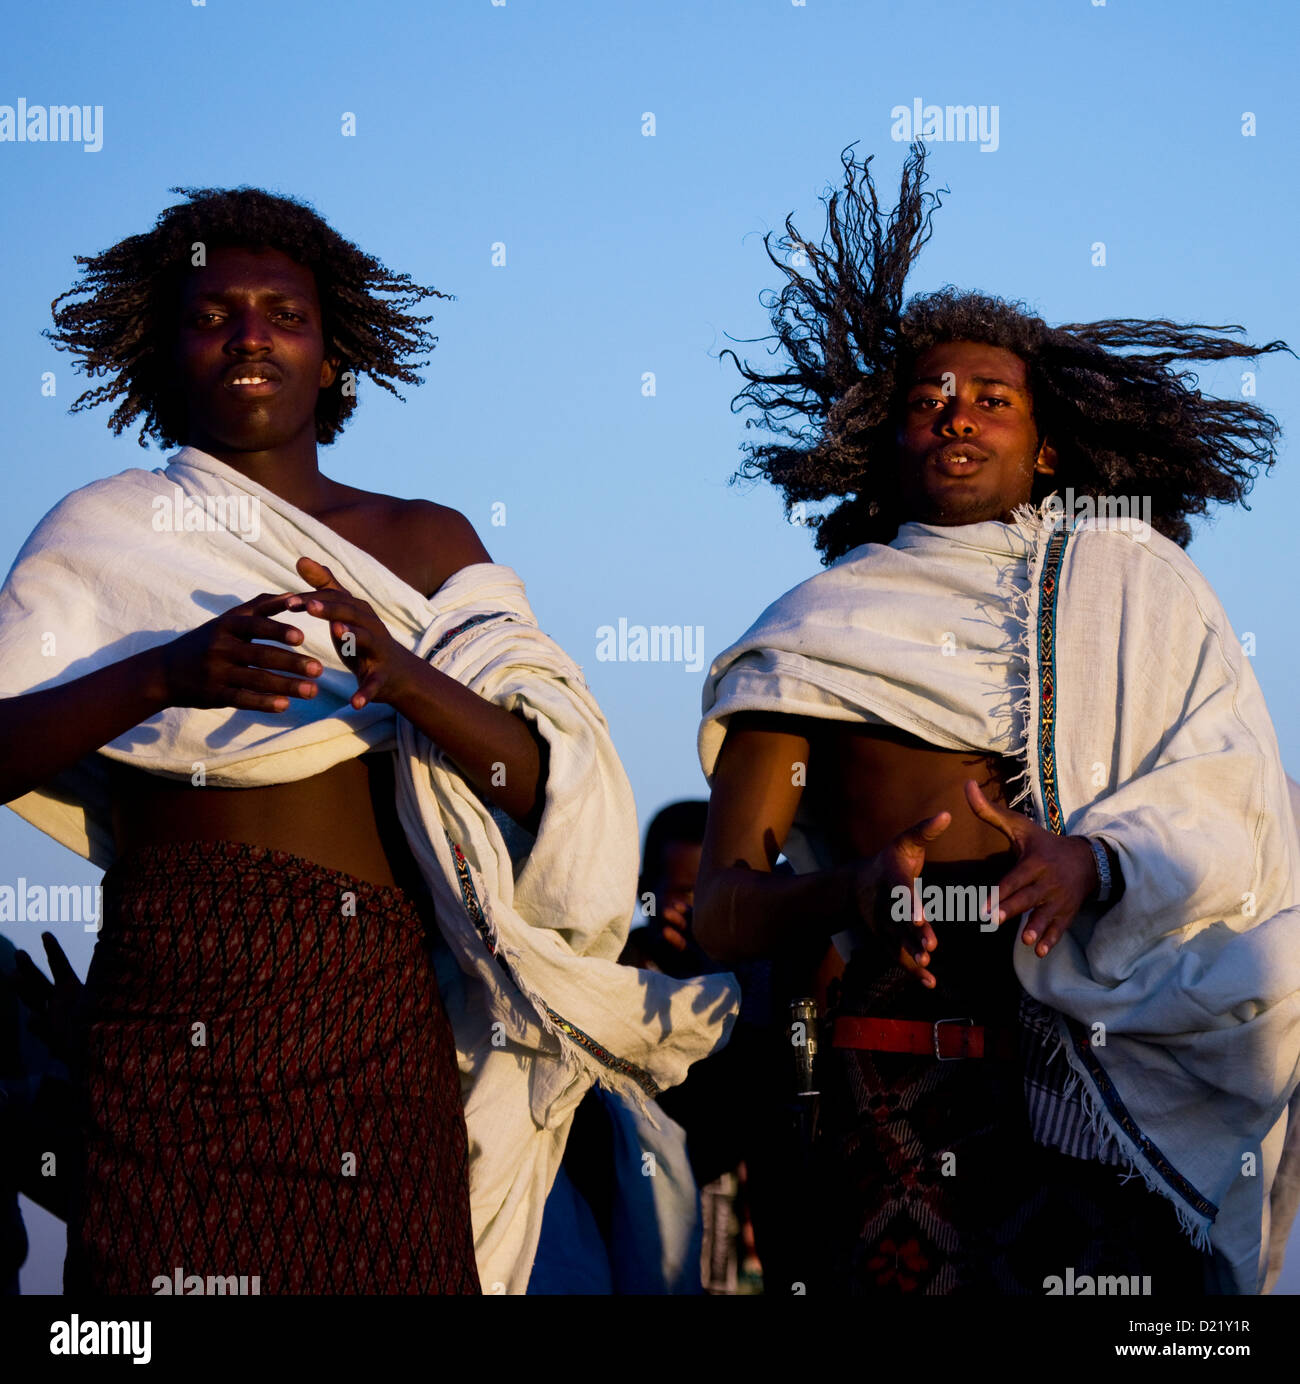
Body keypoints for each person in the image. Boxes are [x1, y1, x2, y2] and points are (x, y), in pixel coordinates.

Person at [0, 186, 736, 1294]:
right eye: (212, 316)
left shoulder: (423, 538)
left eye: (282, 315)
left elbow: (543, 780)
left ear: (336, 356)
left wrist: (406, 676)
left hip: (366, 1008)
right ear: (163, 352)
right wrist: (164, 671)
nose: (249, 337)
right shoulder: (101, 529)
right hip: (168, 1003)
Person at [694, 143, 1300, 1296]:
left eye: (990, 398)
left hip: (1121, 1049)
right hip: (900, 1052)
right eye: (925, 402)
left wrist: (1099, 861)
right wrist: (853, 891)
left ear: (1048, 441)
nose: (955, 417)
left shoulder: (1136, 587)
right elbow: (724, 910)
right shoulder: (813, 626)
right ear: (885, 440)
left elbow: (1232, 794)